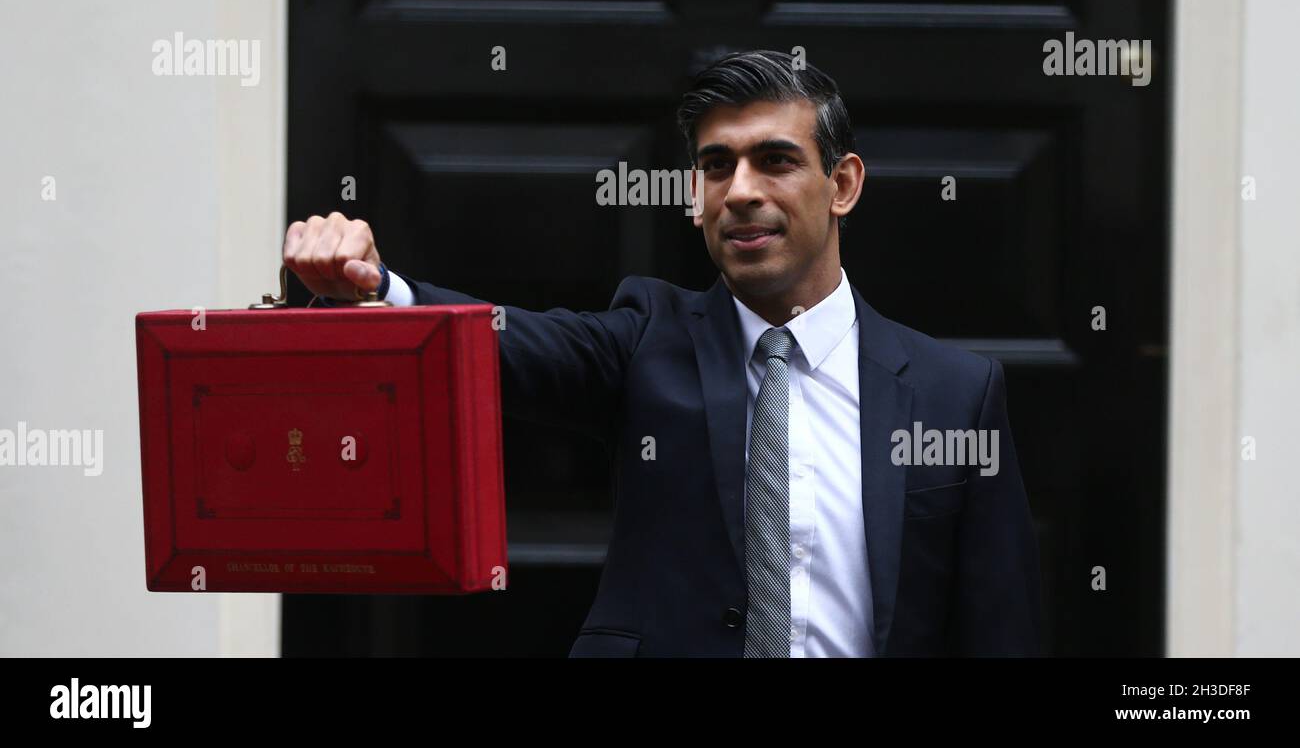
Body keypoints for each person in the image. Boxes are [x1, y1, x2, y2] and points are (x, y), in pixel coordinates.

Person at [282, 50, 1043, 657]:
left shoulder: (953, 392)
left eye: (775, 160)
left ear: (841, 184)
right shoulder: (647, 338)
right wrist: (377, 287)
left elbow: (999, 627)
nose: (739, 190)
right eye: (717, 166)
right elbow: (504, 342)